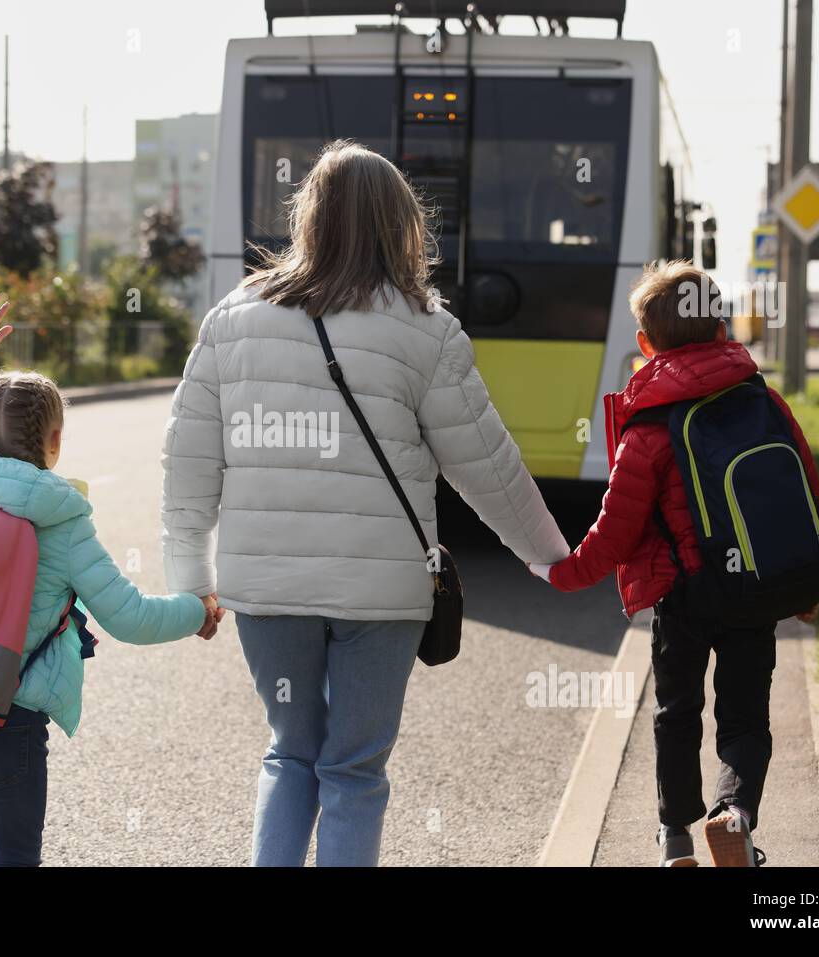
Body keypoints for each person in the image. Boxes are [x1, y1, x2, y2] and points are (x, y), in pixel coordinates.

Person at [160, 140, 569, 866]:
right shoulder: (426, 329)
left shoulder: (234, 316)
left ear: (310, 218)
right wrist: (552, 557)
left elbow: (189, 465)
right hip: (381, 596)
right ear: (401, 225)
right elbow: (488, 465)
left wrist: (191, 583)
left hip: (268, 590)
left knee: (291, 753)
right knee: (353, 767)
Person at [528, 261, 819, 867]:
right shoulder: (764, 401)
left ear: (645, 344)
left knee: (677, 711)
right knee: (746, 717)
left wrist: (562, 571)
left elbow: (614, 531)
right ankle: (735, 814)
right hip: (753, 587)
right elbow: (804, 493)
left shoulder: (648, 426)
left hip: (682, 596)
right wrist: (803, 583)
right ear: (721, 330)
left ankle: (677, 840)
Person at [0, 296, 217, 866]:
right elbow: (129, 617)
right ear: (52, 442)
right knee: (16, 850)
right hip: (9, 724)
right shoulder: (63, 522)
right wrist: (195, 609)